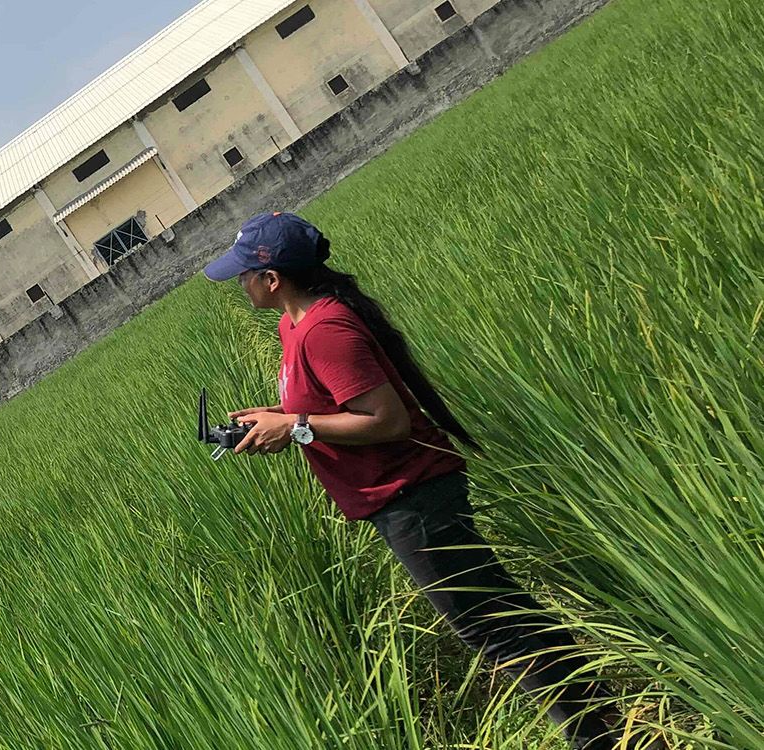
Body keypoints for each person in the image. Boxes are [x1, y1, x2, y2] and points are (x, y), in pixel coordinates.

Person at [203, 210, 651, 750]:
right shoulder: (293, 324)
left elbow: (386, 419)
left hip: (414, 497)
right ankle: (606, 716)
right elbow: (326, 404)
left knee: (492, 626)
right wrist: (277, 416)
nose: (240, 284)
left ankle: (599, 736)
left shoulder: (324, 329)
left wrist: (296, 426)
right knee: (498, 613)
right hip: (400, 498)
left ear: (272, 279)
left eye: (243, 274)